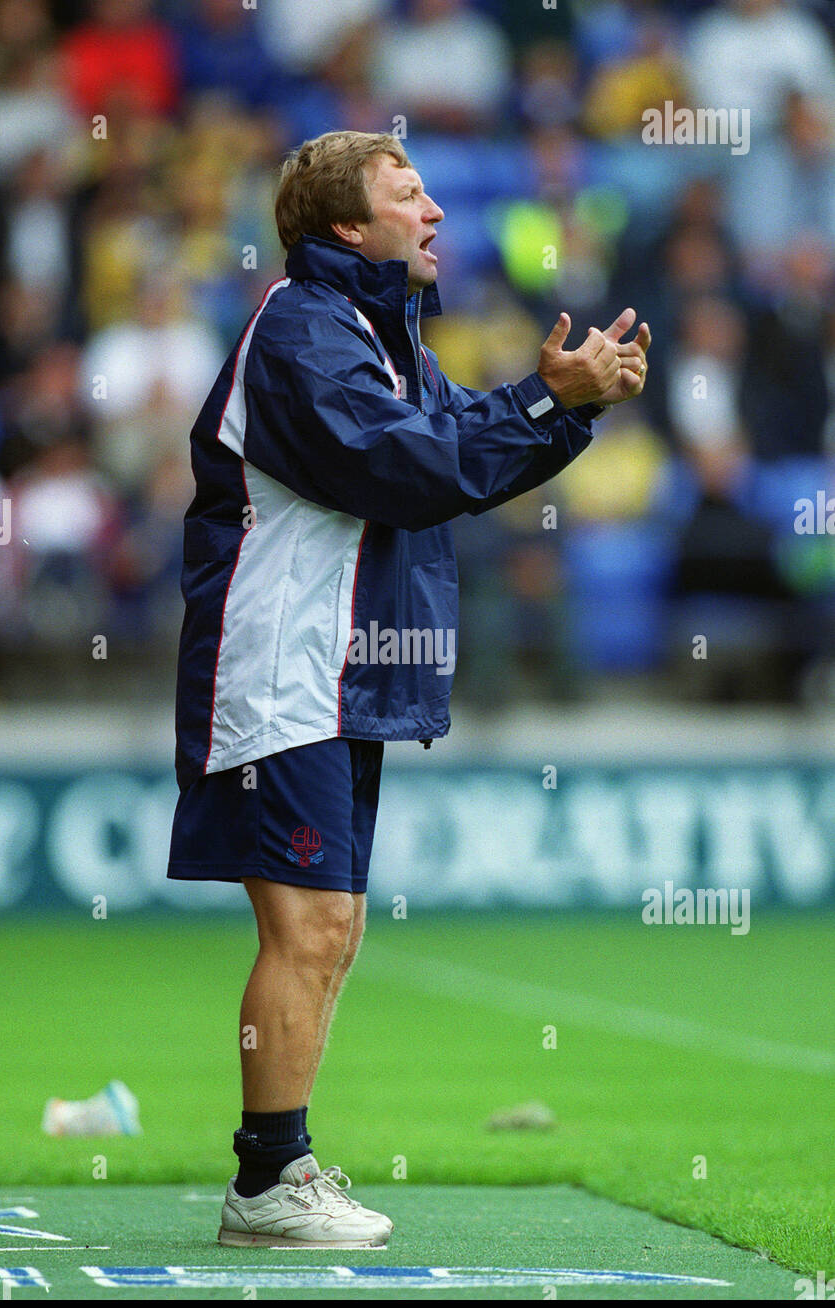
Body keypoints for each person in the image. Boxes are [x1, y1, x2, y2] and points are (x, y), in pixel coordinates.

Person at [167, 130, 650, 1248]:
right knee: (312, 925)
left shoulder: (372, 335)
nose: (434, 212)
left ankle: (277, 1170)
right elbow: (411, 467)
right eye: (408, 192)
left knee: (329, 930)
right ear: (347, 226)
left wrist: (563, 406)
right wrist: (545, 398)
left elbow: (449, 449)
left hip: (339, 666)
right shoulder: (301, 328)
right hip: (280, 661)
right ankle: (267, 1180)